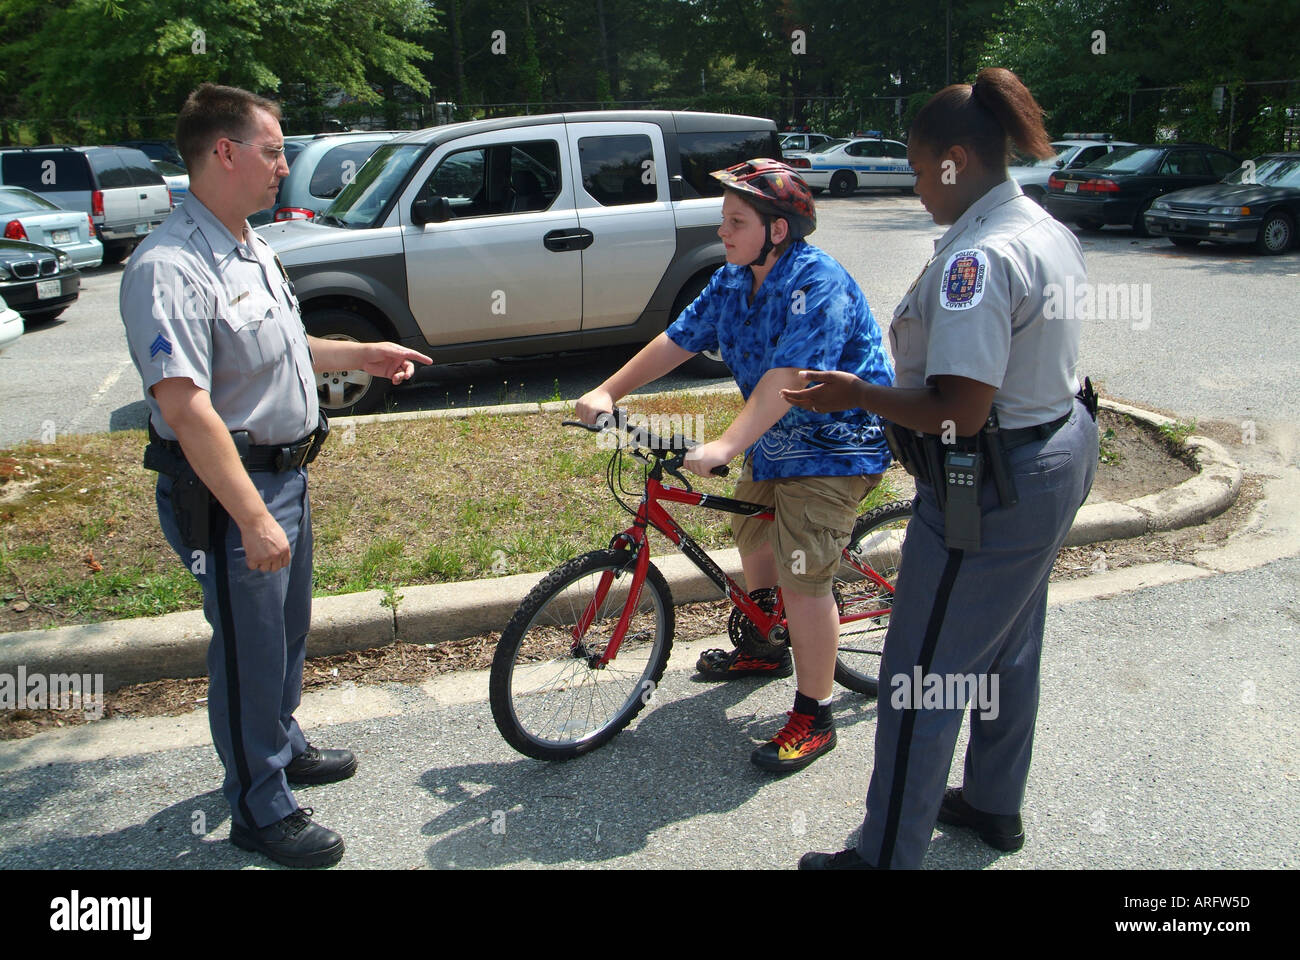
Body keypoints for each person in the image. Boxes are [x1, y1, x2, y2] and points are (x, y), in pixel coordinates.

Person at [790, 67, 1099, 869]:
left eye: (924, 171)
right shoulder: (1043, 227)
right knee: (1009, 641)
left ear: (959, 160)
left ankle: (885, 855)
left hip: (989, 481)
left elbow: (960, 409)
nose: (920, 188)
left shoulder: (982, 260)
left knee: (921, 673)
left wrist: (858, 393)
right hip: (1056, 449)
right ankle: (993, 805)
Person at [119, 83, 431, 868]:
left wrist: (361, 354)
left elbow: (287, 347)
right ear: (222, 152)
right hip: (231, 493)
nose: (283, 167)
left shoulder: (247, 243)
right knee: (248, 649)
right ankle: (258, 806)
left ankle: (280, 744)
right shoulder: (170, 267)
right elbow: (188, 410)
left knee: (286, 634)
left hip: (284, 479)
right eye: (272, 150)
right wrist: (253, 516)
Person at [576, 158, 893, 772]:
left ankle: (814, 714)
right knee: (754, 539)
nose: (722, 231)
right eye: (723, 220)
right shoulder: (730, 281)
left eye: (735, 221)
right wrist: (608, 392)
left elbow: (790, 377)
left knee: (804, 577)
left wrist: (721, 445)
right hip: (774, 442)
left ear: (776, 230)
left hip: (836, 444)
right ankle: (767, 646)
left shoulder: (815, 281)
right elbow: (677, 339)